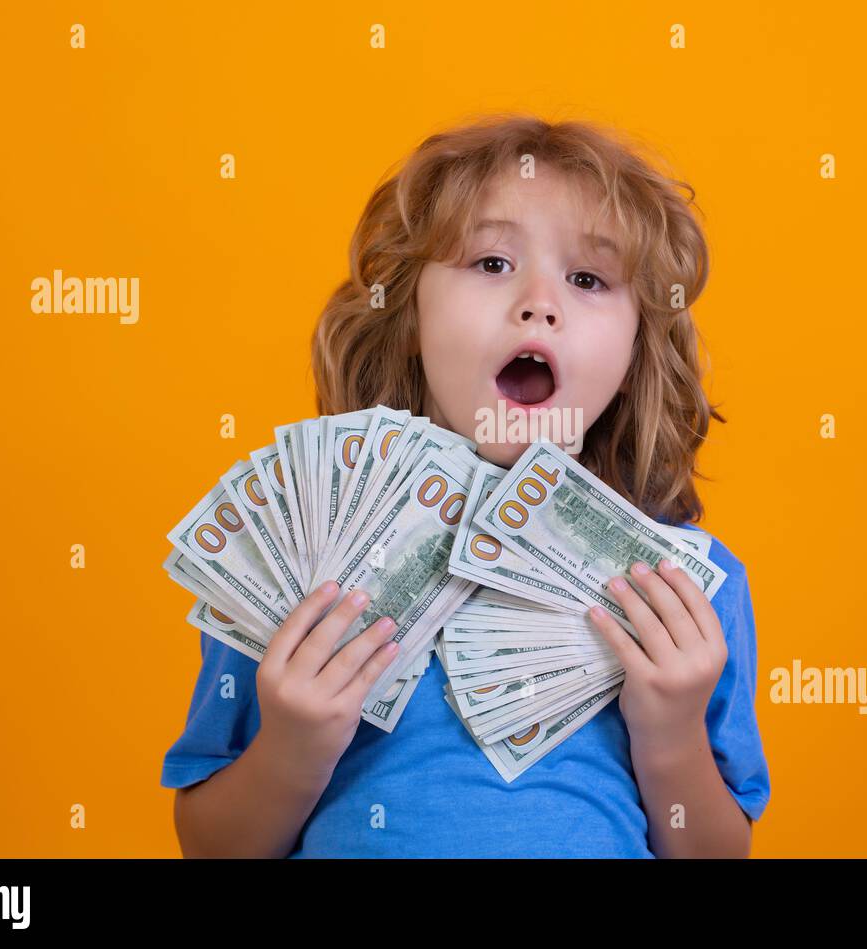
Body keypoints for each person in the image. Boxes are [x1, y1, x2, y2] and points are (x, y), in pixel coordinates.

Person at [163, 114, 770, 857]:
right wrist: (293, 748)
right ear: (407, 313)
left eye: (588, 278)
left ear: (638, 345)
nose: (539, 302)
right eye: (490, 263)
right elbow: (211, 847)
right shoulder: (296, 555)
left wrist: (671, 733)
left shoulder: (685, 591)